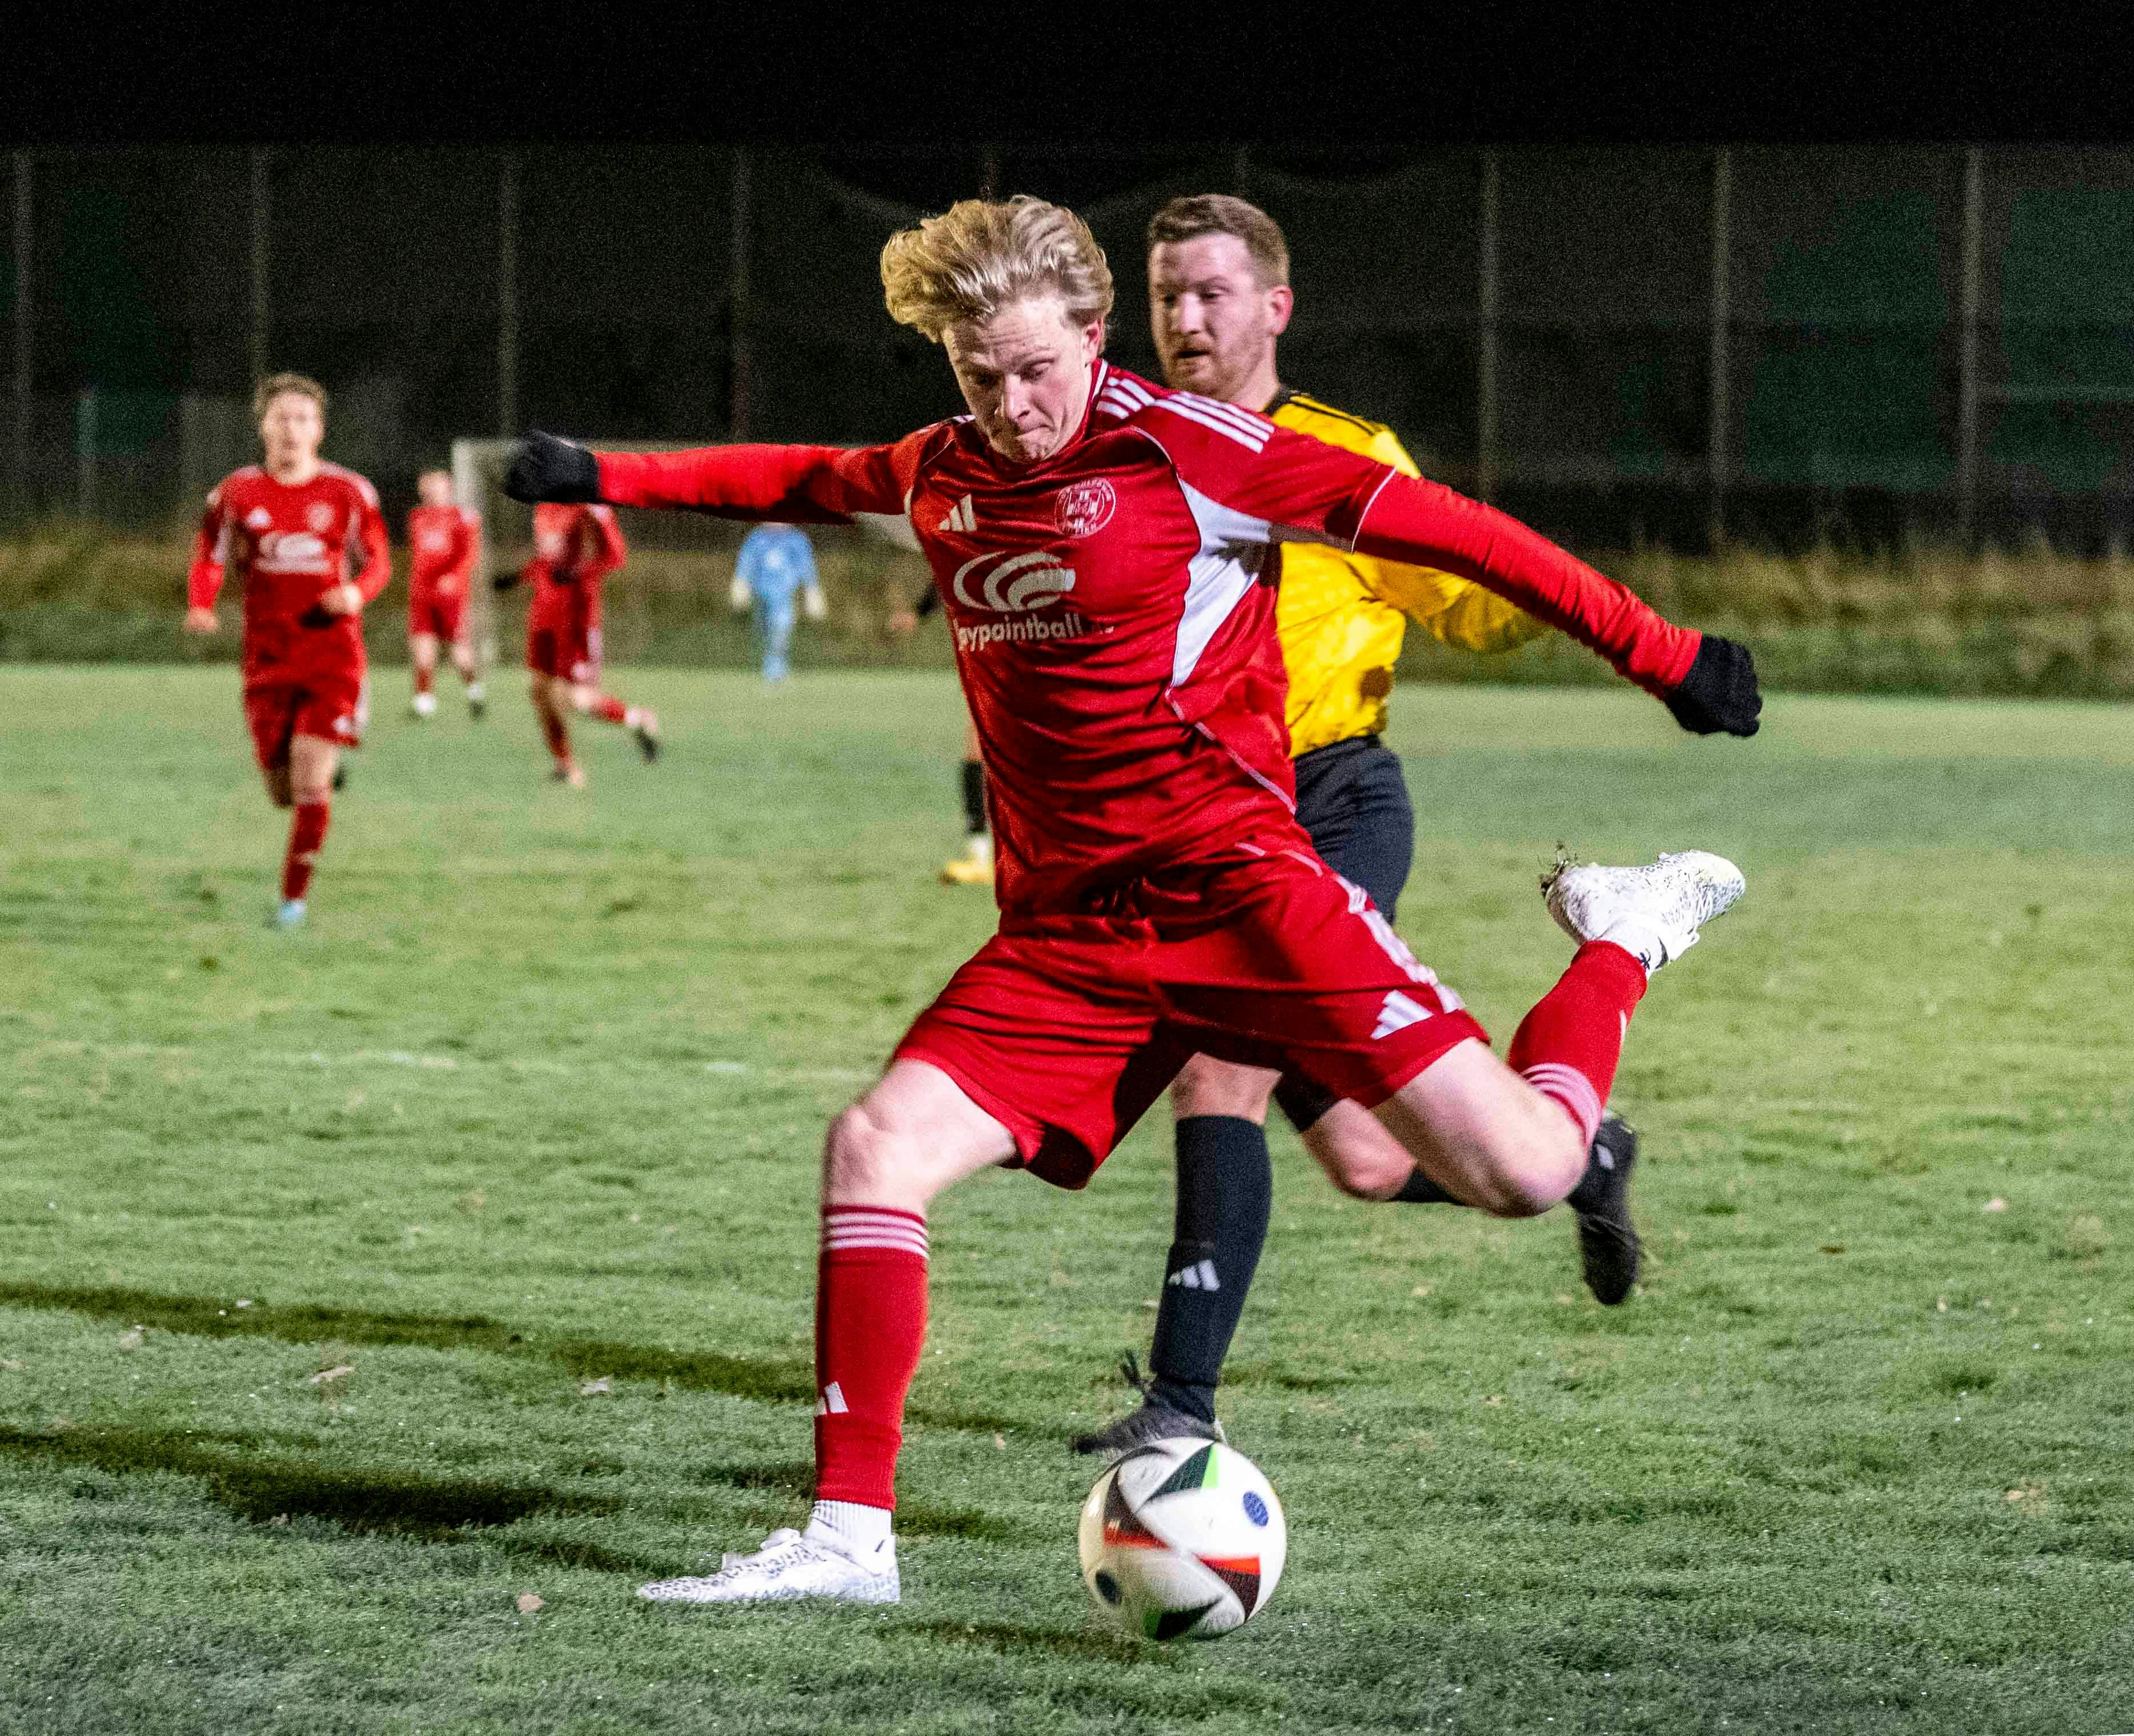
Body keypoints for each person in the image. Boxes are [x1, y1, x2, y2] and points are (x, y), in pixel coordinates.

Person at [504, 194, 1760, 1609]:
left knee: (1523, 1169)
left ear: (1095, 339)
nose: (1013, 404)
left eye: (1037, 369)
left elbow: (1451, 530)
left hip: (1243, 891)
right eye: (979, 375)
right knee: (874, 1146)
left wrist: (1664, 655)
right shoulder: (944, 466)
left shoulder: (1193, 449)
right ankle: (848, 1539)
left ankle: (1620, 934)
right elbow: (803, 474)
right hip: (1069, 934)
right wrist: (603, 472)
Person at [1070, 194, 1655, 1457]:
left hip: (1328, 805)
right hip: (1198, 825)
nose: (1184, 318)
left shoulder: (1346, 452)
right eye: (1165, 293)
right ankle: (1581, 1148)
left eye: (1211, 292)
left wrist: (1600, 621)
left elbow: (1469, 584)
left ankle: (1178, 1407)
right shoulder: (1127, 453)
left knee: (1216, 1063)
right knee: (1371, 1160)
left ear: (1274, 308)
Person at [183, 373, 390, 928]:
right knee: (281, 793)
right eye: (282, 417)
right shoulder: (236, 492)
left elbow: (379, 561)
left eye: (304, 418)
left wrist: (356, 592)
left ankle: (292, 901)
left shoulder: (349, 492)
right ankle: (324, 771)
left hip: (332, 655)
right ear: (263, 427)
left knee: (308, 784)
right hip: (268, 659)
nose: (293, 428)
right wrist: (201, 602)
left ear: (320, 429)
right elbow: (210, 554)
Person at [492, 500, 660, 785]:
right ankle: (565, 764)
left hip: (577, 623)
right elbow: (548, 559)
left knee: (575, 700)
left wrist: (580, 572)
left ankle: (637, 718)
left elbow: (615, 557)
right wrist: (518, 577)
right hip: (544, 620)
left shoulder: (591, 508)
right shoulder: (543, 507)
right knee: (541, 695)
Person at [888, 583, 994, 885]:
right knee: (976, 748)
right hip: (995, 648)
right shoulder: (972, 543)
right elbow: (949, 569)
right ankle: (979, 857)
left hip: (1033, 645)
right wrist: (918, 613)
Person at [404, 468, 486, 719]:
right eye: (427, 486)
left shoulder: (464, 516)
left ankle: (474, 691)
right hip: (422, 593)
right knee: (422, 650)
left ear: (448, 487)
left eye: (436, 485)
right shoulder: (417, 517)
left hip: (452, 596)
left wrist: (454, 576)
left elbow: (470, 554)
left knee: (459, 652)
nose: (431, 490)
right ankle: (424, 700)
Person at [732, 523, 827, 682]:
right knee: (765, 631)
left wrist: (813, 593)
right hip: (761, 594)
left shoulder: (796, 540)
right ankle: (771, 665)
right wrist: (740, 586)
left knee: (781, 629)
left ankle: (775, 671)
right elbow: (746, 563)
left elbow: (807, 568)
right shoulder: (757, 538)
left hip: (784, 595)